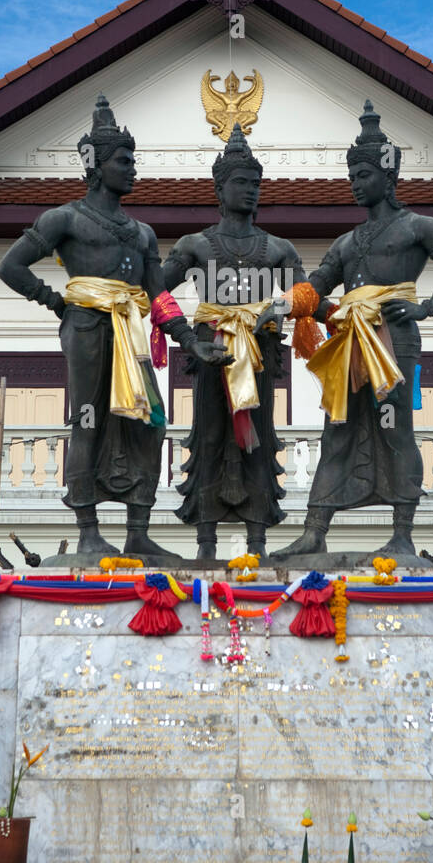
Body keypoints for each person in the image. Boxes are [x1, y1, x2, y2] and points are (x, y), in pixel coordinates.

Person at [0, 95, 230, 559]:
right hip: (85, 324)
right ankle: (87, 530)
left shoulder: (142, 232)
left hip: (129, 329)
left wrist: (189, 342)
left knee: (150, 420)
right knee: (89, 419)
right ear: (96, 165)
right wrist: (57, 302)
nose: (132, 170)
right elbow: (11, 266)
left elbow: (157, 293)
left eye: (133, 161)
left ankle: (137, 529)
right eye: (123, 161)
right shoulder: (65, 218)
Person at [256, 100, 433, 563]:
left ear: (387, 173)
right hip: (350, 343)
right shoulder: (346, 242)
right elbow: (315, 289)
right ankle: (315, 531)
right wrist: (279, 306)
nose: (355, 185)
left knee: (395, 428)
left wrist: (428, 307)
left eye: (362, 176)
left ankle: (401, 534)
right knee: (336, 429)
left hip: (393, 337)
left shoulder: (421, 227)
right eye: (351, 176)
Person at [162, 125, 307, 558]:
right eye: (241, 183)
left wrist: (279, 308)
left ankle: (258, 541)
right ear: (220, 188)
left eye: (256, 184)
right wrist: (188, 340)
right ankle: (205, 543)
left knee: (259, 436)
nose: (250, 191)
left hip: (260, 351)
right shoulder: (196, 245)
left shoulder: (278, 248)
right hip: (211, 352)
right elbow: (156, 290)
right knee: (208, 435)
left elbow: (306, 294)